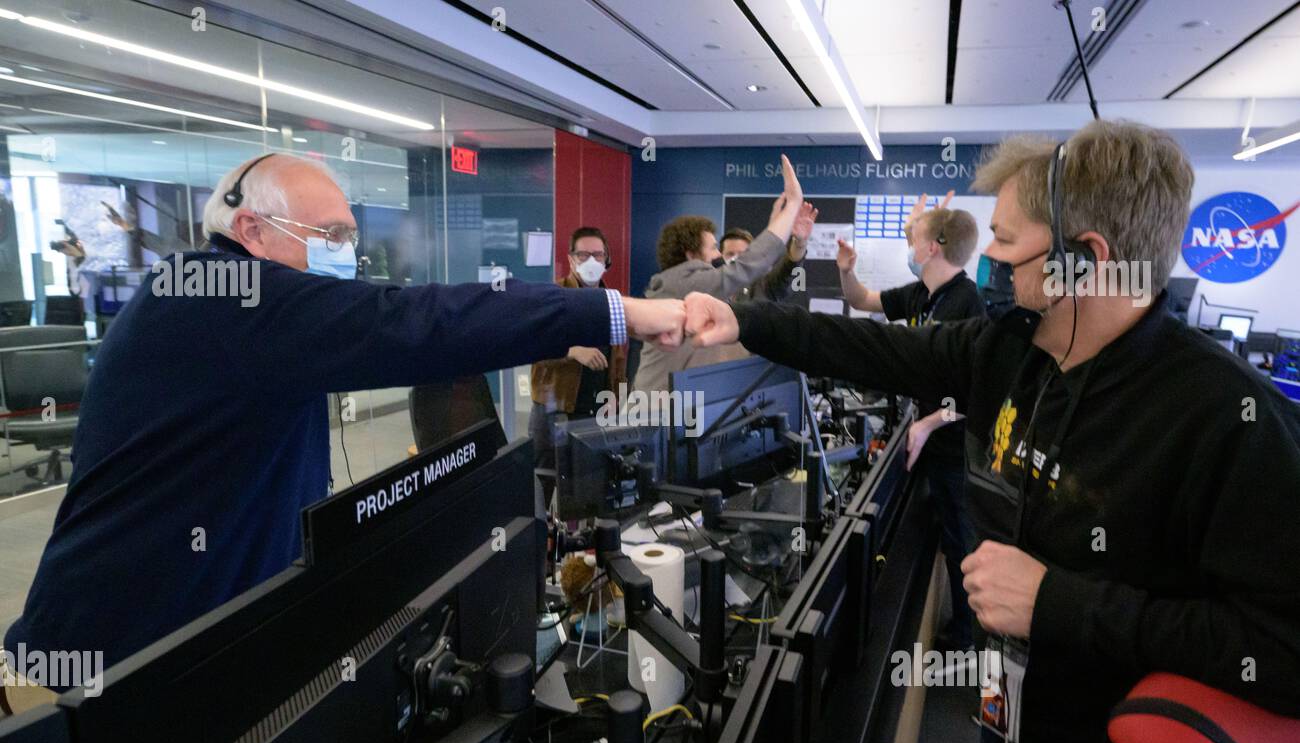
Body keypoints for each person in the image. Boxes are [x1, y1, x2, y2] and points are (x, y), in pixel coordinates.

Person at [684, 119, 1300, 743]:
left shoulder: (1228, 421)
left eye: (1007, 242)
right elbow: (866, 348)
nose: (993, 262)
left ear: (1085, 259)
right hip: (1008, 735)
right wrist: (740, 321)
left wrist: (1056, 603)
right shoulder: (1012, 350)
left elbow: (1283, 649)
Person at [0, 152, 692, 712]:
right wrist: (614, 312)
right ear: (252, 232)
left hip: (198, 646)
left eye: (349, 237)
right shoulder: (213, 296)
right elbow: (414, 322)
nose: (345, 256)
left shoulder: (257, 321)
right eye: (327, 236)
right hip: (102, 670)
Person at [838, 195, 985, 651]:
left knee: (963, 548)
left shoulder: (968, 302)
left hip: (955, 451)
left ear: (935, 248)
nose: (908, 241)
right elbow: (861, 298)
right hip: (928, 444)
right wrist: (846, 268)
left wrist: (928, 424)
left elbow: (979, 392)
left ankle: (967, 646)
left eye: (914, 237)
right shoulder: (921, 293)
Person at [633, 153, 812, 394]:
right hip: (659, 416)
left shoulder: (714, 289)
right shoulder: (679, 284)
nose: (718, 255)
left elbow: (770, 281)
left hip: (691, 412)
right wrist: (791, 207)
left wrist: (792, 239)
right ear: (689, 254)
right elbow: (747, 267)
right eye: (713, 248)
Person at [529, 226, 639, 504]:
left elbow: (619, 361)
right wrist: (572, 351)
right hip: (555, 411)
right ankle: (538, 544)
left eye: (598, 255)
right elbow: (532, 345)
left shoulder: (611, 301)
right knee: (542, 487)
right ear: (571, 258)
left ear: (606, 261)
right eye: (583, 254)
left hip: (595, 414)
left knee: (587, 491)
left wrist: (618, 398)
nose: (591, 261)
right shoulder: (552, 296)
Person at [718, 225, 813, 306]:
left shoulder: (764, 286)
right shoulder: (712, 286)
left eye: (742, 253)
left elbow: (788, 268)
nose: (736, 258)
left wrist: (800, 243)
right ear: (721, 255)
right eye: (730, 254)